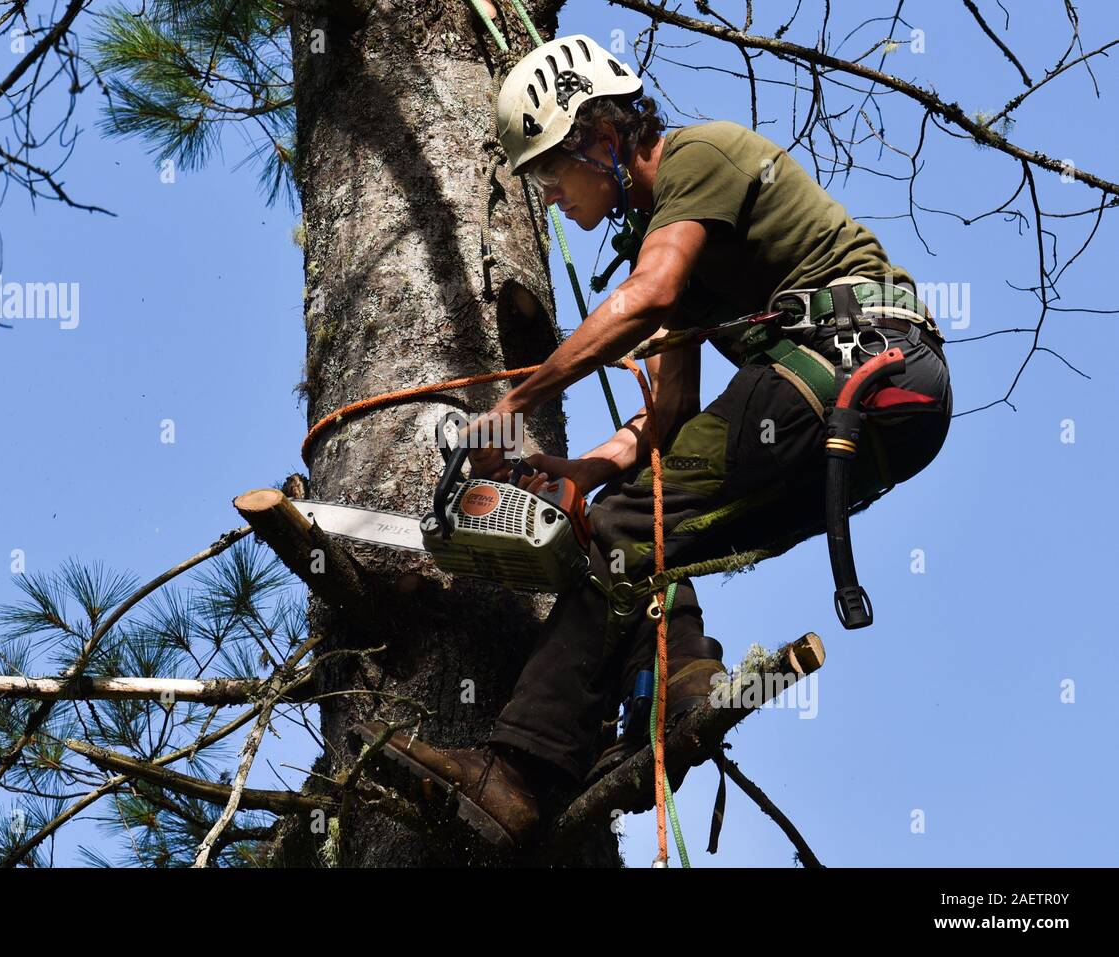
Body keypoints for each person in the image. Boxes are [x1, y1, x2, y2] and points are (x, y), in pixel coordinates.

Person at [358, 34, 953, 849]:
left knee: (618, 527)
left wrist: (516, 400)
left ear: (602, 140)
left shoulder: (699, 158)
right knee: (638, 524)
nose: (550, 197)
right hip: (870, 420)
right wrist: (566, 467)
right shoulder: (668, 233)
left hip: (853, 368)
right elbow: (665, 420)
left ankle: (518, 773)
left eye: (549, 171)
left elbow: (651, 295)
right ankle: (683, 681)